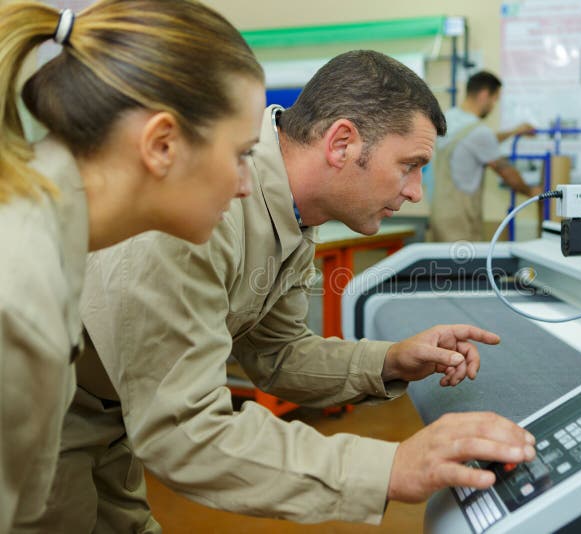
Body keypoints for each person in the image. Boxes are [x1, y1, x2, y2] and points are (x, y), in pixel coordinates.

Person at [30, 50, 537, 532]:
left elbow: (277, 353)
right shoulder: (202, 212)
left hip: (108, 418)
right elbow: (185, 433)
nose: (415, 191)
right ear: (342, 143)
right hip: (44, 415)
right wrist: (392, 466)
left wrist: (391, 360)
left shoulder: (292, 213)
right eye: (409, 165)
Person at [0, 0, 266, 531]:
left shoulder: (49, 232)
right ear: (162, 144)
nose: (243, 185)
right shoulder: (21, 294)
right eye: (240, 153)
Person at [430, 70, 541, 242]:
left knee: (443, 267)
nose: (493, 106)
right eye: (494, 100)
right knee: (464, 268)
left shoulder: (449, 118)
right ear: (484, 95)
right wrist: (532, 191)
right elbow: (506, 172)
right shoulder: (479, 132)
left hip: (439, 213)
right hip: (460, 219)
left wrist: (514, 131)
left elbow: (475, 143)